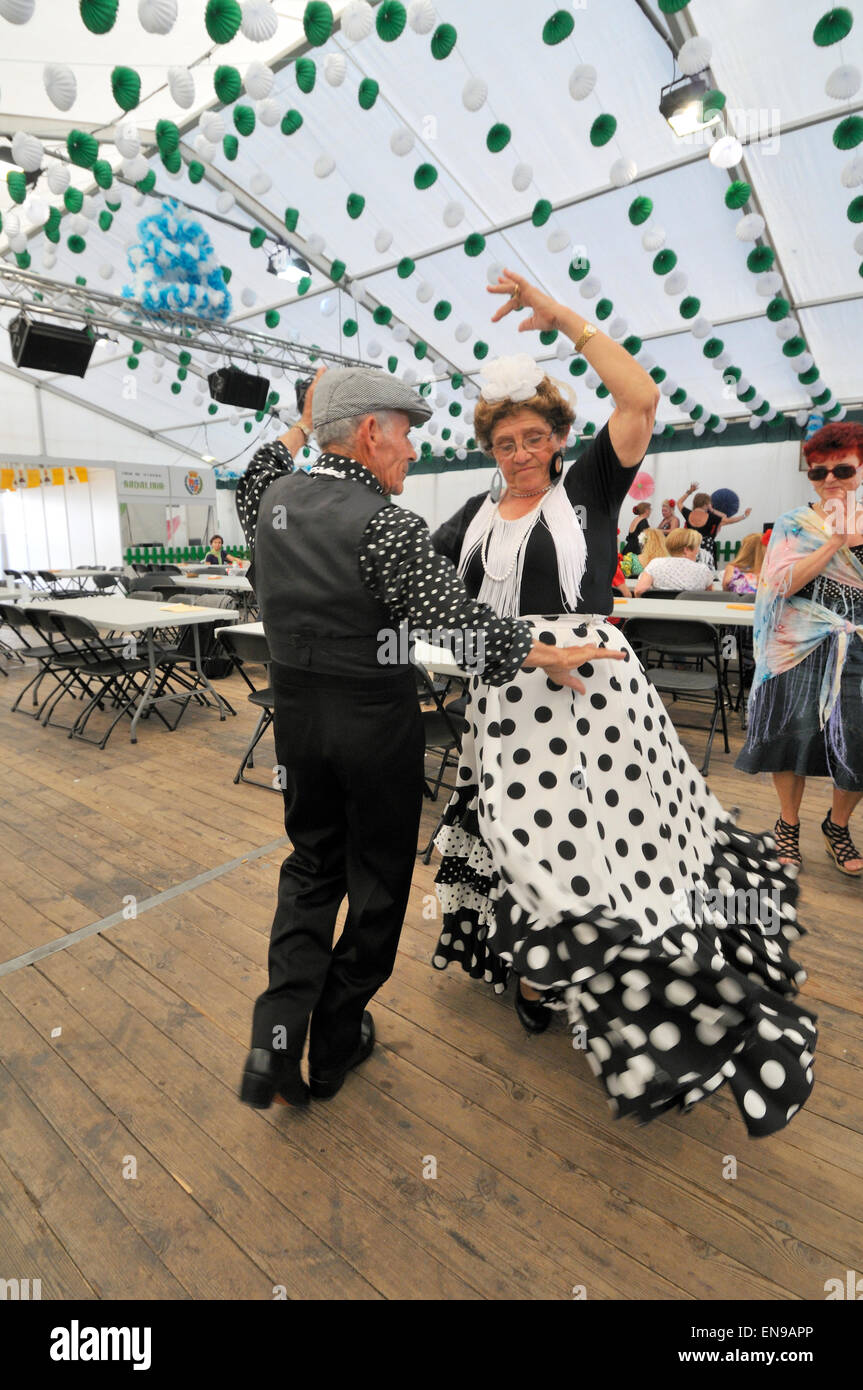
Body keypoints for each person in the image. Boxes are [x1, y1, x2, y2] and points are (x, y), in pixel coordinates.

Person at [430, 268, 816, 1138]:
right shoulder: (471, 516)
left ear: (559, 436)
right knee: (519, 838)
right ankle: (542, 972)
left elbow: (639, 393)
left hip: (597, 696)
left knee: (621, 839)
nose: (521, 452)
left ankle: (635, 973)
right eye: (505, 442)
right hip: (510, 699)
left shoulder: (591, 487)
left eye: (534, 436)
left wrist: (556, 315)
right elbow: (433, 596)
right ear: (489, 449)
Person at [234, 364, 618, 1111]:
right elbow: (461, 627)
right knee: (376, 886)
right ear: (372, 434)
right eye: (405, 433)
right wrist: (547, 651)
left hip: (298, 724)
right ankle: (336, 1041)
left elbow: (262, 464)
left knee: (311, 869)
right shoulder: (385, 523)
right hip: (372, 729)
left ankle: (274, 1040)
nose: (413, 450)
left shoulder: (269, 502)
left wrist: (309, 418)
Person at [736, 422, 863, 876]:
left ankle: (838, 825)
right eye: (818, 472)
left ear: (861, 468)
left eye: (842, 469)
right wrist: (834, 539)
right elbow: (781, 585)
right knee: (791, 735)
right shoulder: (795, 523)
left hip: (858, 649)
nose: (830, 479)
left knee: (859, 739)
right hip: (797, 647)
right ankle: (787, 824)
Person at [676, 484, 751, 566]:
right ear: (706, 504)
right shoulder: (711, 517)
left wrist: (689, 491)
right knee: (706, 572)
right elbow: (728, 519)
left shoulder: (688, 513)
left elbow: (679, 503)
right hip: (706, 550)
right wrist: (744, 516)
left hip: (690, 547)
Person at [634, 527, 715, 595]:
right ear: (686, 550)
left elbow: (639, 590)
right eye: (696, 547)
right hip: (692, 612)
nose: (698, 551)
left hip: (660, 611)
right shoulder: (703, 570)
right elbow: (710, 596)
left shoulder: (655, 564)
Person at [722, 531, 766, 596]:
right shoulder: (769, 570)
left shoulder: (732, 568)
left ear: (744, 549)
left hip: (735, 604)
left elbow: (725, 591)